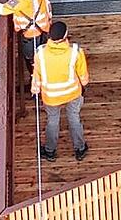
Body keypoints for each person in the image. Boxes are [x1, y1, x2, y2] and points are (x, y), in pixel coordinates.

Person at [34, 20, 89, 162]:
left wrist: (35, 89)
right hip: (72, 93)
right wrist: (83, 86)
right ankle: (80, 149)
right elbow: (83, 75)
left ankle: (50, 151)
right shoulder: (75, 52)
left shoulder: (40, 53)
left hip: (51, 96)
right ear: (66, 35)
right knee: (74, 119)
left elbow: (37, 75)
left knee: (52, 121)